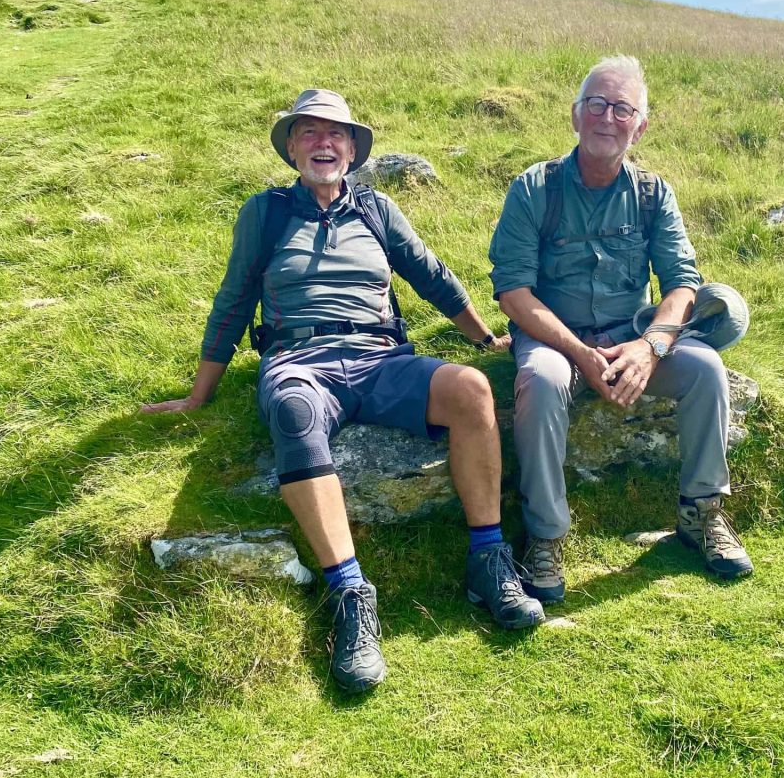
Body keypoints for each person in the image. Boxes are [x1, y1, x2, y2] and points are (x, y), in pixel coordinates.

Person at [142, 88, 543, 692]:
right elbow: (232, 302)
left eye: (335, 134)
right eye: (309, 133)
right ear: (292, 148)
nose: (323, 144)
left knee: (471, 391)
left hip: (380, 356)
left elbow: (431, 275)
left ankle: (488, 561)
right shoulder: (267, 213)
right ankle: (351, 593)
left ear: (353, 149)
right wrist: (199, 395)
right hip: (298, 358)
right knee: (294, 409)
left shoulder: (378, 210)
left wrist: (487, 341)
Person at [488, 55, 753, 605]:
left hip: (631, 336)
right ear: (575, 114)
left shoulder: (655, 194)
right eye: (597, 104)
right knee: (539, 379)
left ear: (640, 125)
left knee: (705, 368)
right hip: (555, 338)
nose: (608, 117)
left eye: (623, 108)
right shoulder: (535, 189)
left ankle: (701, 514)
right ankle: (545, 535)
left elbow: (683, 284)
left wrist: (651, 347)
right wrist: (579, 352)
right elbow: (515, 294)